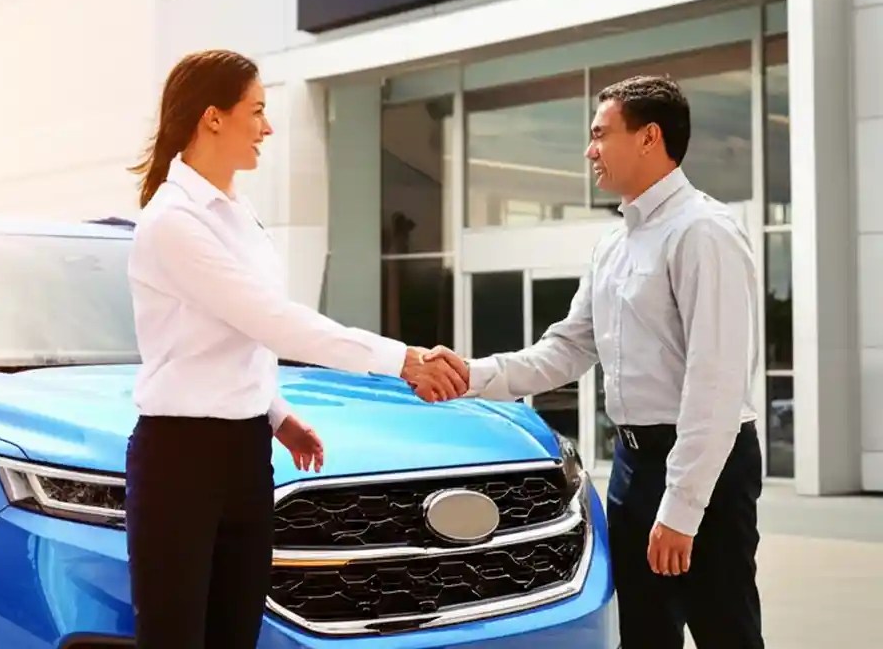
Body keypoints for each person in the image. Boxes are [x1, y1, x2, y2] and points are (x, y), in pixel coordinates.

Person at [123, 48, 469, 649]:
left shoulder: (239, 213)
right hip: (180, 459)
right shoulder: (173, 220)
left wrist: (276, 414)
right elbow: (273, 322)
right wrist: (403, 360)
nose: (268, 128)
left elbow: (235, 334)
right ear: (212, 117)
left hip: (244, 453)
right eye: (256, 111)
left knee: (235, 635)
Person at [447, 75, 763, 648]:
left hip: (706, 467)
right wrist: (467, 376)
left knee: (725, 632)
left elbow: (715, 383)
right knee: (643, 634)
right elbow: (567, 348)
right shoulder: (613, 244)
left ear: (649, 137)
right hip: (632, 467)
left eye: (600, 134)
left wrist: (682, 508)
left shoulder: (703, 232)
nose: (589, 151)